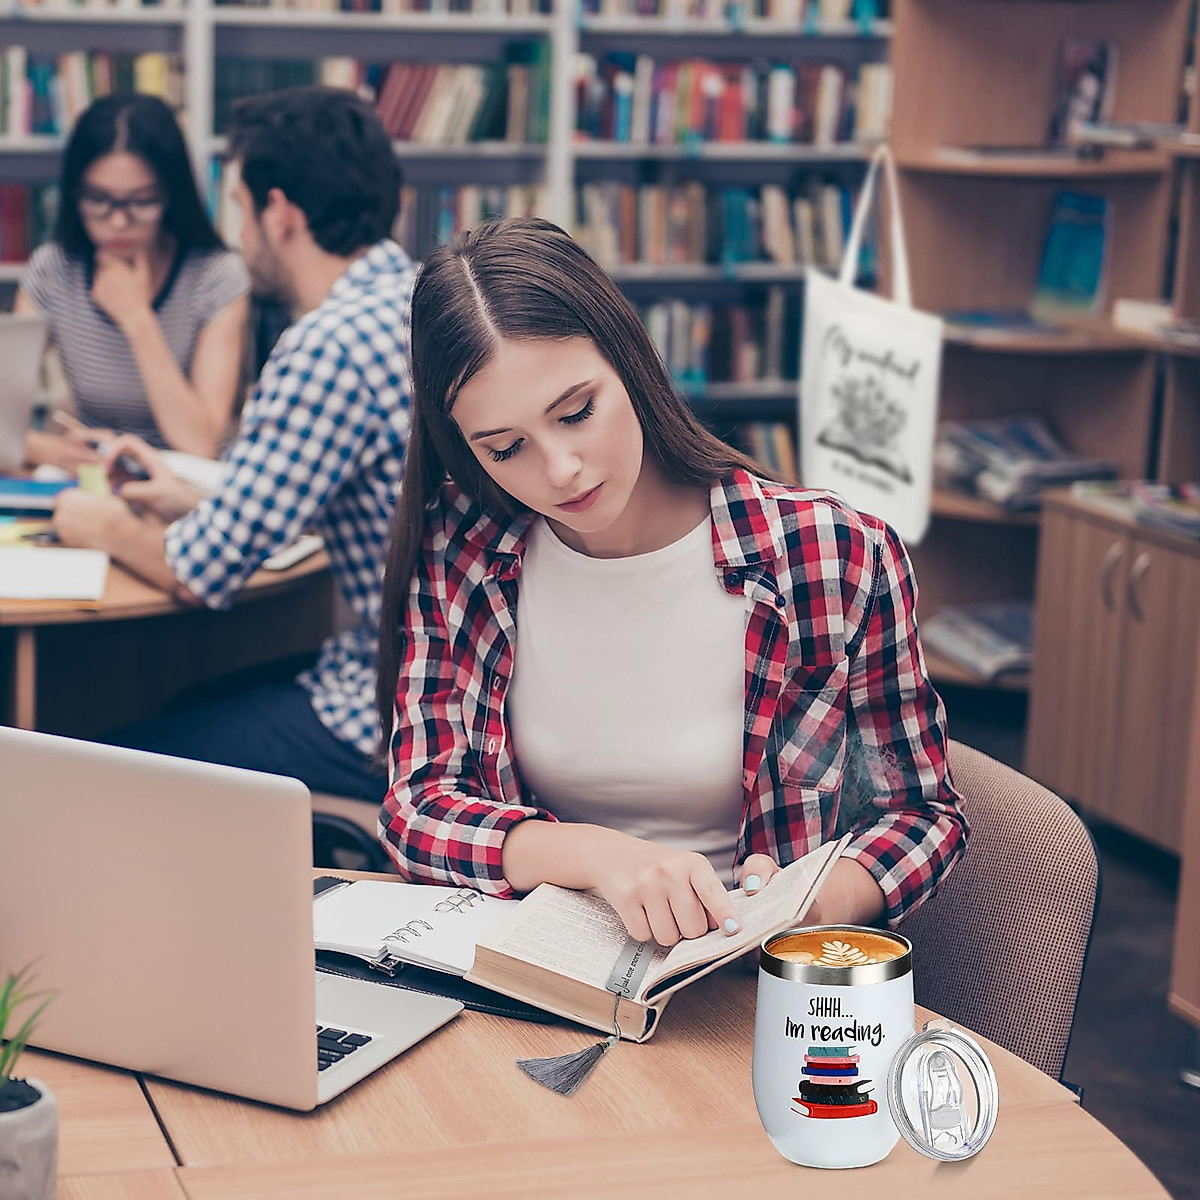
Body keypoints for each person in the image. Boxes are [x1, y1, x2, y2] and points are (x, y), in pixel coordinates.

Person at [376, 217, 969, 948]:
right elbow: (417, 809)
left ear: (631, 360)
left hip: (749, 977)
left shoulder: (831, 555)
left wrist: (808, 904)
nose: (559, 469)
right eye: (507, 449)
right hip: (543, 969)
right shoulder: (466, 551)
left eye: (577, 412)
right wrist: (600, 859)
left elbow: (922, 815)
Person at [52, 87, 412, 802]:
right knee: (187, 707)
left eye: (241, 208)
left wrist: (83, 517)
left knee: (100, 765)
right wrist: (189, 497)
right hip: (440, 681)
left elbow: (197, 573)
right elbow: (344, 494)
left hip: (393, 711)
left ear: (278, 212)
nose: (239, 234)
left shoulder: (325, 344)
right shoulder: (422, 293)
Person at [16, 93, 250, 466]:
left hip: (183, 487)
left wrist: (137, 319)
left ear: (170, 197)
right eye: (98, 199)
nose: (119, 222)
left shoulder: (216, 277)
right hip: (90, 479)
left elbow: (200, 444)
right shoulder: (53, 270)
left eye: (141, 201)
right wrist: (56, 452)